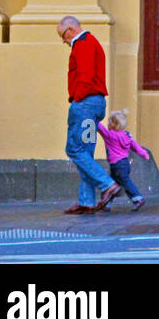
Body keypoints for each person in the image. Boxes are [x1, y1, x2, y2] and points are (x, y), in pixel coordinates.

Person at [56, 16, 120, 215]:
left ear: (70, 30)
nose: (64, 41)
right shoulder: (91, 42)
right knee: (86, 151)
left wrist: (76, 99)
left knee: (74, 149)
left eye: (63, 36)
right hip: (95, 104)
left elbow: (85, 75)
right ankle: (87, 201)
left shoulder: (82, 44)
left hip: (85, 104)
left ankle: (107, 184)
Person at [97, 110, 150, 211]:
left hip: (117, 165)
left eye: (109, 121)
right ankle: (107, 203)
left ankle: (137, 198)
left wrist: (92, 116)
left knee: (124, 182)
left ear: (114, 123)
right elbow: (135, 147)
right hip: (124, 164)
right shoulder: (127, 136)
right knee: (112, 184)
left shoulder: (110, 136)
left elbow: (100, 128)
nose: (108, 124)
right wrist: (144, 154)